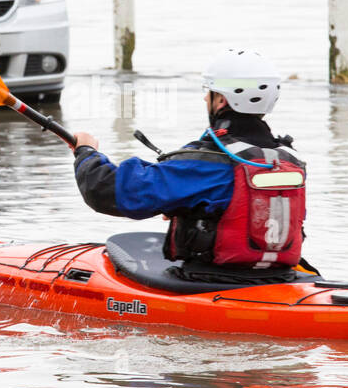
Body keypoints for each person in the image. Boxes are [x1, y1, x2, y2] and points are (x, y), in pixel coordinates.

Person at [72, 49, 307, 272]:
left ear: (221, 101)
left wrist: (86, 152)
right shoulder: (290, 159)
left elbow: (107, 192)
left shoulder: (207, 162)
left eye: (209, 92)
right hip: (278, 277)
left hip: (210, 280)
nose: (206, 98)